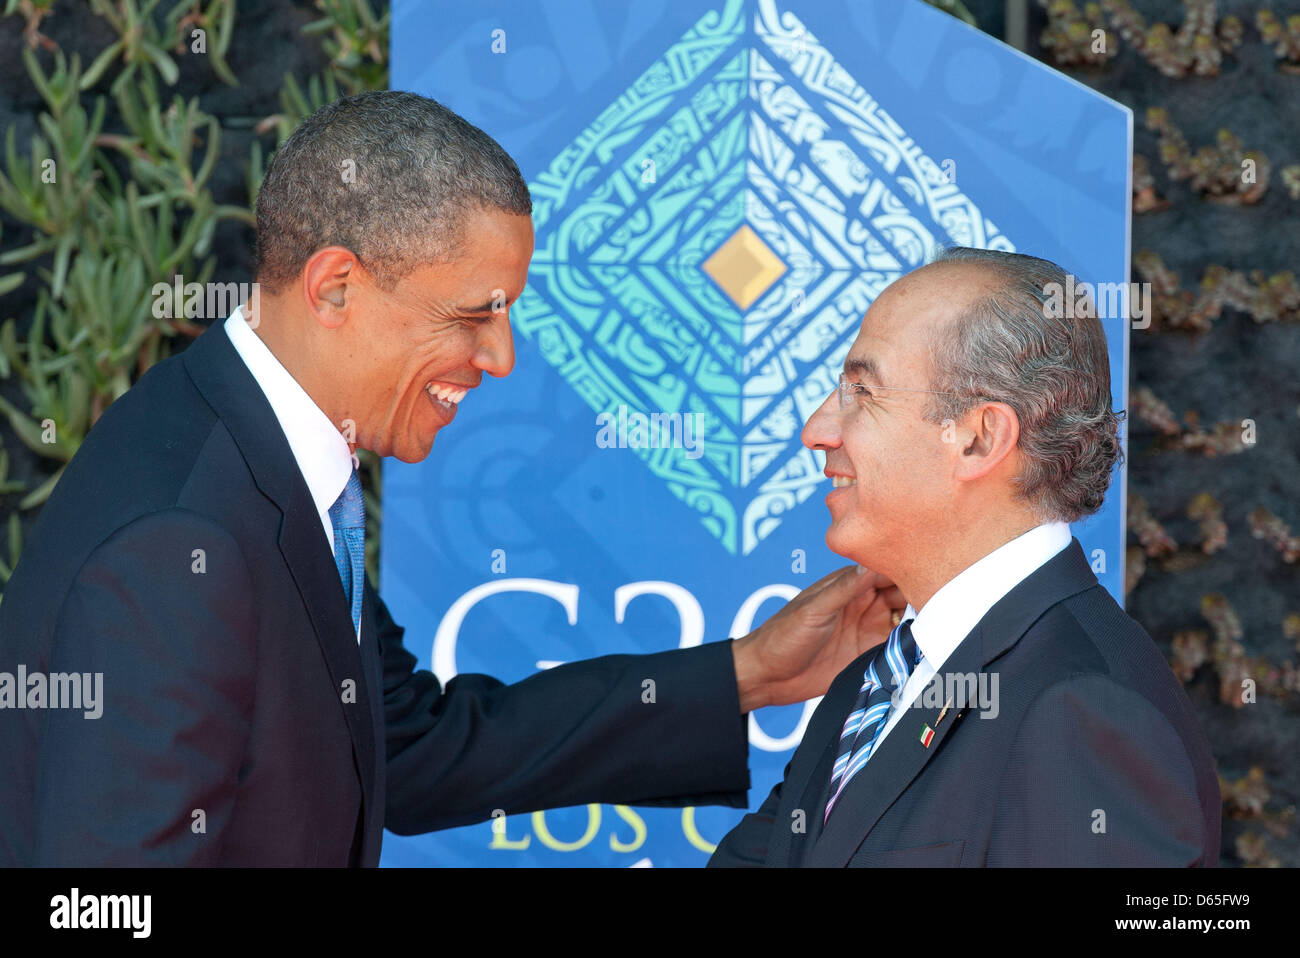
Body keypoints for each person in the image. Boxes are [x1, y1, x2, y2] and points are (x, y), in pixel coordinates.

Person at [0, 91, 904, 866]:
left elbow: (413, 749)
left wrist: (748, 672)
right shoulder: (183, 541)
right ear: (335, 287)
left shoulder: (254, 447)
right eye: (474, 315)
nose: (502, 357)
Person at [709, 247, 1221, 867]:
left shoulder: (1083, 707)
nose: (817, 429)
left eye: (861, 392)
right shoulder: (868, 685)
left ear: (979, 438)